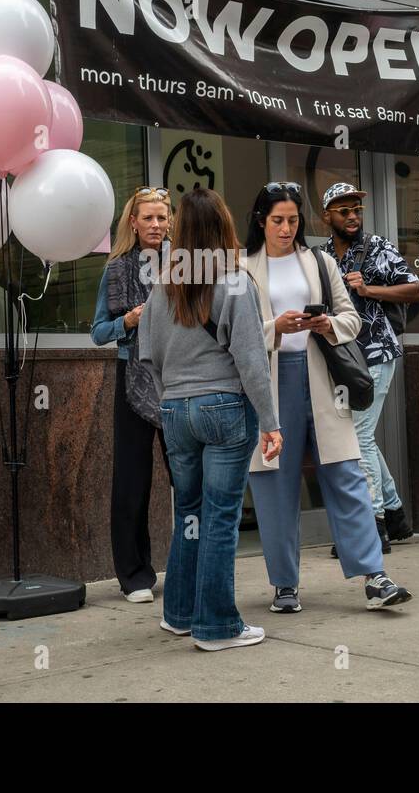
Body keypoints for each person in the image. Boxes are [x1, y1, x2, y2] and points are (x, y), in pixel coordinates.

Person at [242, 182, 412, 613]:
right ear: (261, 220)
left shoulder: (318, 263)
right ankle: (284, 584)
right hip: (270, 383)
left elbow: (351, 318)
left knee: (345, 473)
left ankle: (375, 576)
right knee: (274, 482)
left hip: (322, 379)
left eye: (293, 220)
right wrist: (273, 328)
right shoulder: (242, 268)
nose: (285, 228)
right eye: (277, 220)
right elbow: (233, 336)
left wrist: (328, 326)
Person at [138, 187, 283, 651]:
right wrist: (270, 421)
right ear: (222, 227)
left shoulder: (163, 284)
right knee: (220, 518)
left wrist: (173, 402)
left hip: (175, 409)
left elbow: (148, 358)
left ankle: (179, 613)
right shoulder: (235, 281)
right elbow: (250, 359)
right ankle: (218, 626)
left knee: (189, 515)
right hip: (222, 407)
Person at [320, 182, 419, 551]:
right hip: (342, 359)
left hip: (376, 352)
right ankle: (395, 515)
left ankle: (371, 526)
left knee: (358, 435)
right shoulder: (322, 256)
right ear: (326, 216)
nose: (352, 217)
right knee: (361, 435)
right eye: (344, 211)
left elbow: (415, 289)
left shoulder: (377, 248)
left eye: (356, 210)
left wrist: (369, 290)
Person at [91, 186, 173, 603]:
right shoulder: (116, 269)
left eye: (162, 217)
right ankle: (135, 575)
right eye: (148, 218)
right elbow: (96, 333)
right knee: (132, 480)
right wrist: (127, 320)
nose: (156, 225)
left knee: (186, 475)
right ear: (133, 222)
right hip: (133, 375)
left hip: (180, 374)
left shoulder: (187, 264)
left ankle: (187, 566)